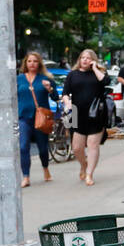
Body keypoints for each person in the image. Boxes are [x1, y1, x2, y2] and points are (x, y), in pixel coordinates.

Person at [63, 48, 110, 185]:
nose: (85, 60)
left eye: (88, 58)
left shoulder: (98, 74)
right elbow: (65, 92)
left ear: (93, 60)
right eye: (83, 57)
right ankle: (84, 165)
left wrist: (95, 68)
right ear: (79, 59)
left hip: (96, 113)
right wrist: (67, 103)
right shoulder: (73, 74)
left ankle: (89, 174)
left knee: (92, 145)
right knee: (77, 147)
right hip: (78, 113)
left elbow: (105, 82)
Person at [16, 51, 56, 188]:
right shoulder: (19, 79)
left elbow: (56, 97)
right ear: (25, 63)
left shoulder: (45, 79)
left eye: (35, 61)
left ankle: (45, 168)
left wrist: (49, 89)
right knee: (23, 146)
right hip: (24, 117)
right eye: (29, 61)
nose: (32, 64)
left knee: (43, 148)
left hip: (41, 119)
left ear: (39, 64)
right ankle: (26, 176)